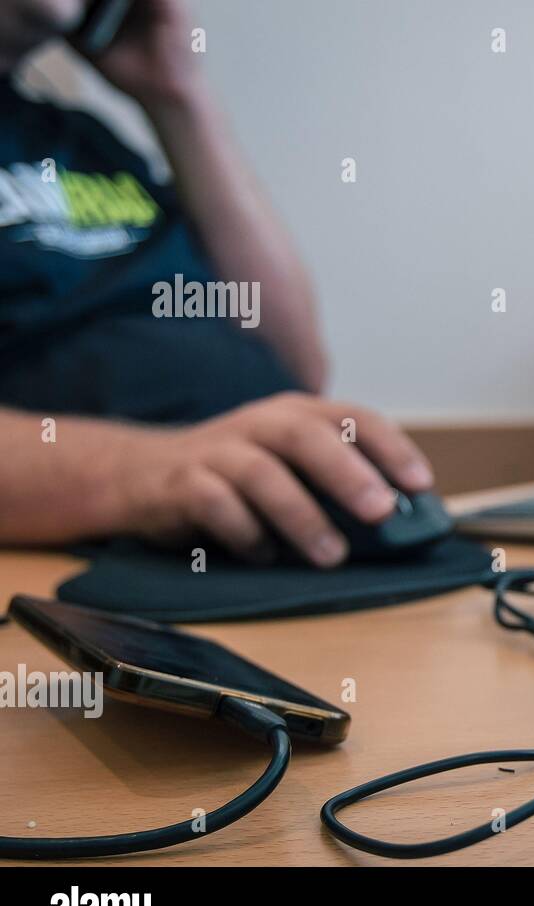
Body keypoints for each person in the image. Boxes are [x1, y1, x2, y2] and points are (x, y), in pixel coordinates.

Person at [0, 0, 434, 567]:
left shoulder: (82, 141)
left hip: (261, 555)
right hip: (84, 573)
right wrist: (148, 474)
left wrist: (180, 97)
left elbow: (295, 367)